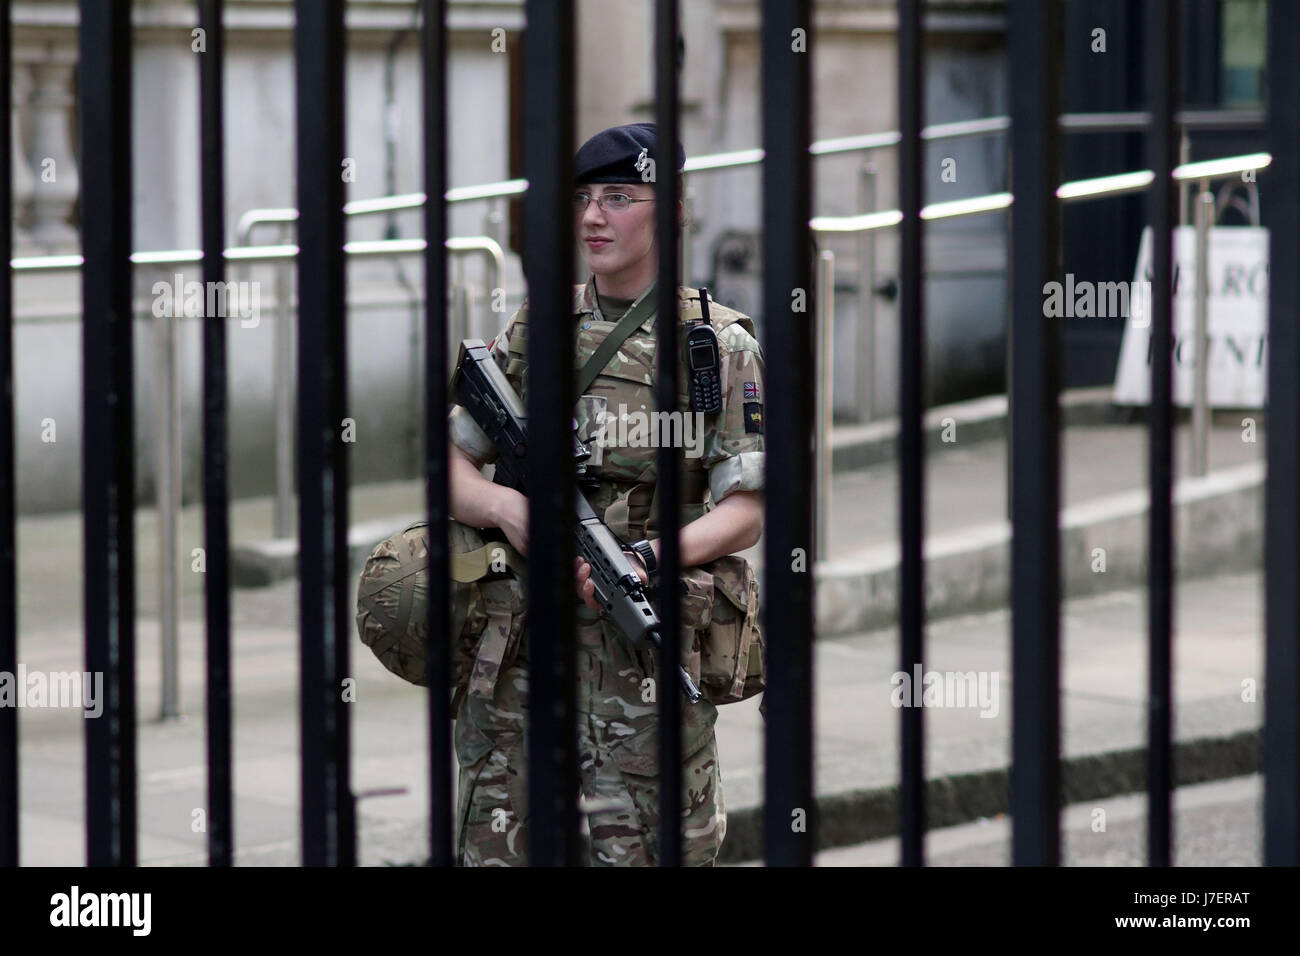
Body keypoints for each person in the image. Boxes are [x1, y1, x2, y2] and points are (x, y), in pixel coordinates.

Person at [445, 122, 766, 866]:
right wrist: (509, 510)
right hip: (520, 666)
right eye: (584, 197)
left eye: (618, 198)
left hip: (643, 676)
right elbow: (453, 469)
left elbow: (746, 510)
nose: (592, 216)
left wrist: (650, 557)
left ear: (674, 209)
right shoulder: (539, 329)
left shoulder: (716, 345)